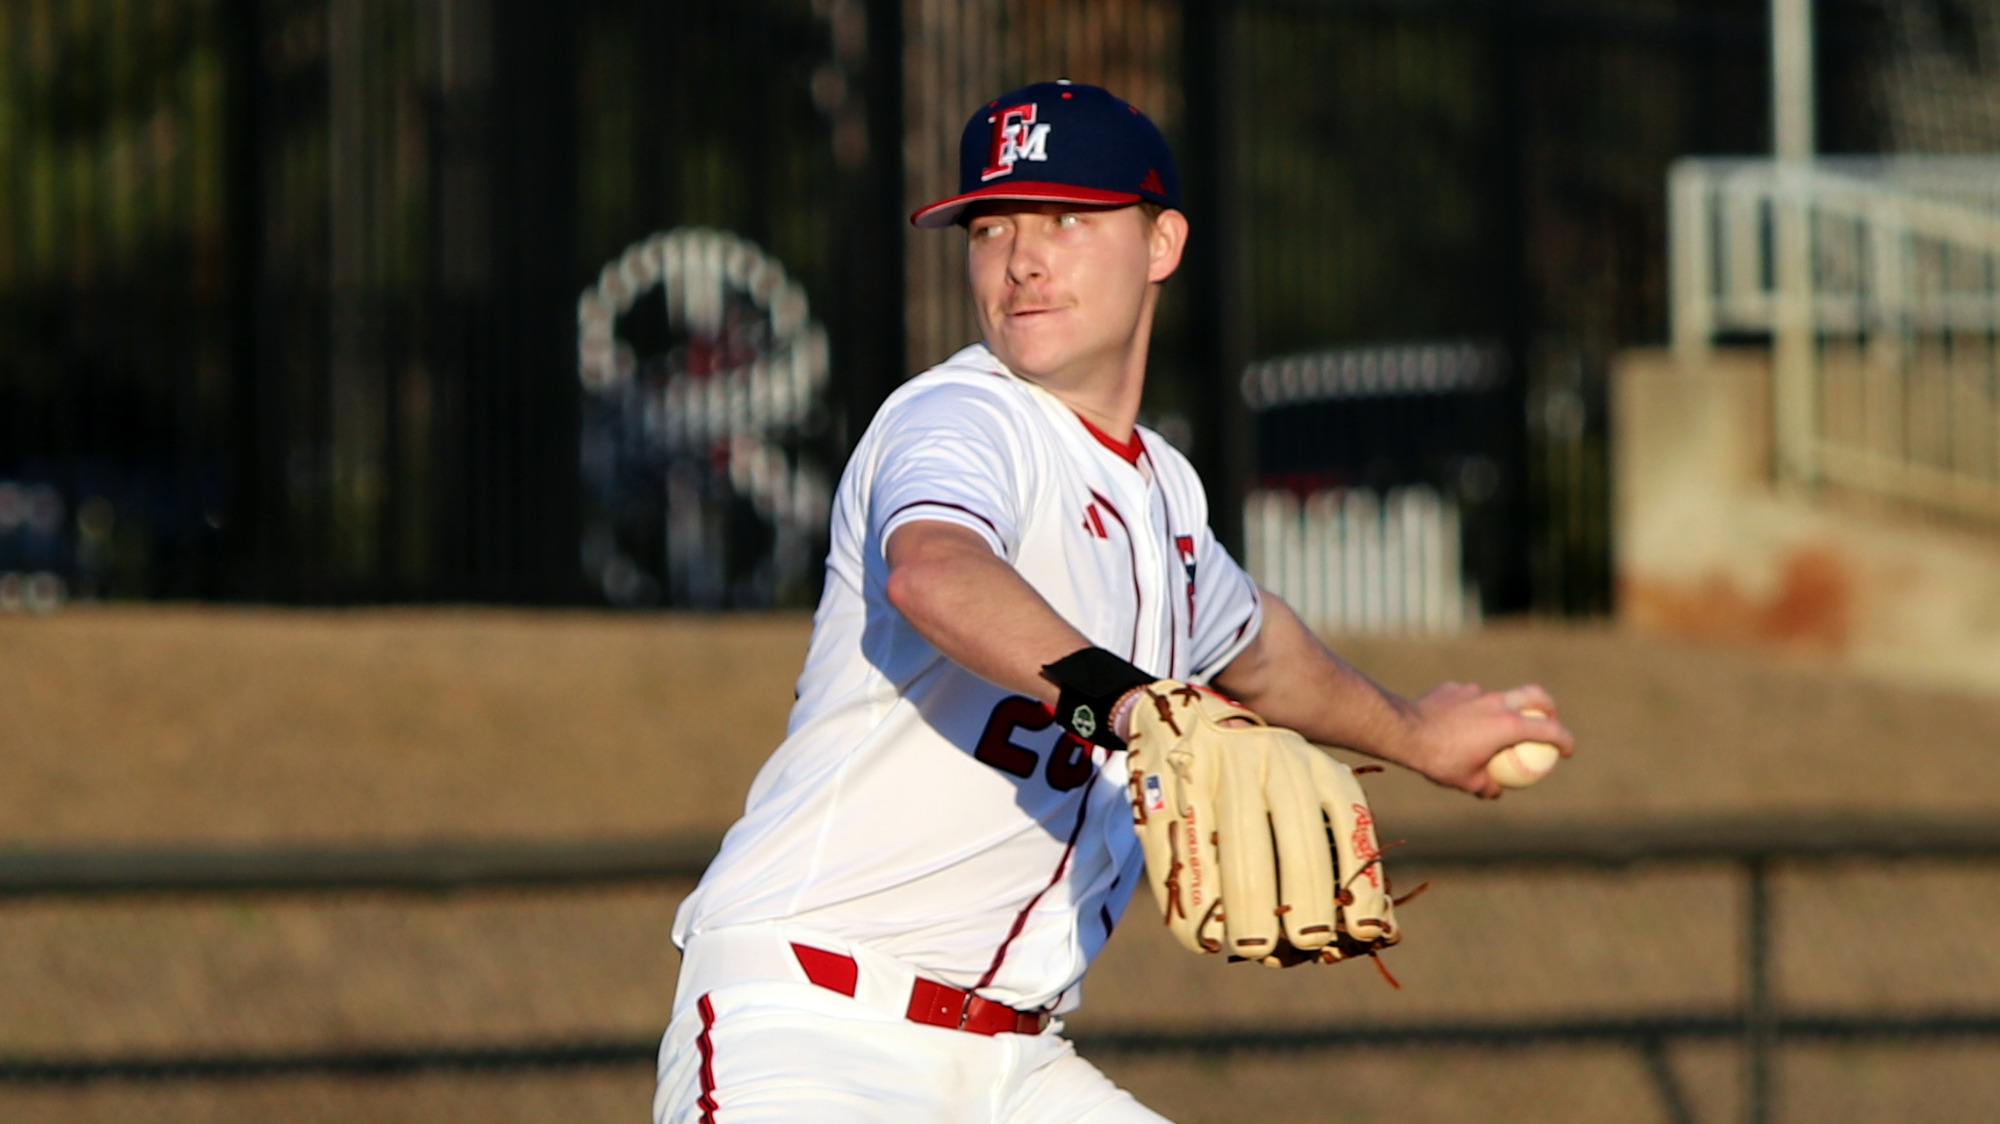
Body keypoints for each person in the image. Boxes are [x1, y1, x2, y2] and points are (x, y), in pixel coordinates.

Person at [652, 80, 1574, 1124]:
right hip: (814, 1032)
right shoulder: (960, 418)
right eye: (989, 226)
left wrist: (1417, 732)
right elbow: (934, 570)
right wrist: (1133, 704)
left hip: (1013, 1061)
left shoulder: (1162, 497)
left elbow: (1255, 644)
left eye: (1066, 218)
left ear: (1161, 242)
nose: (1021, 258)